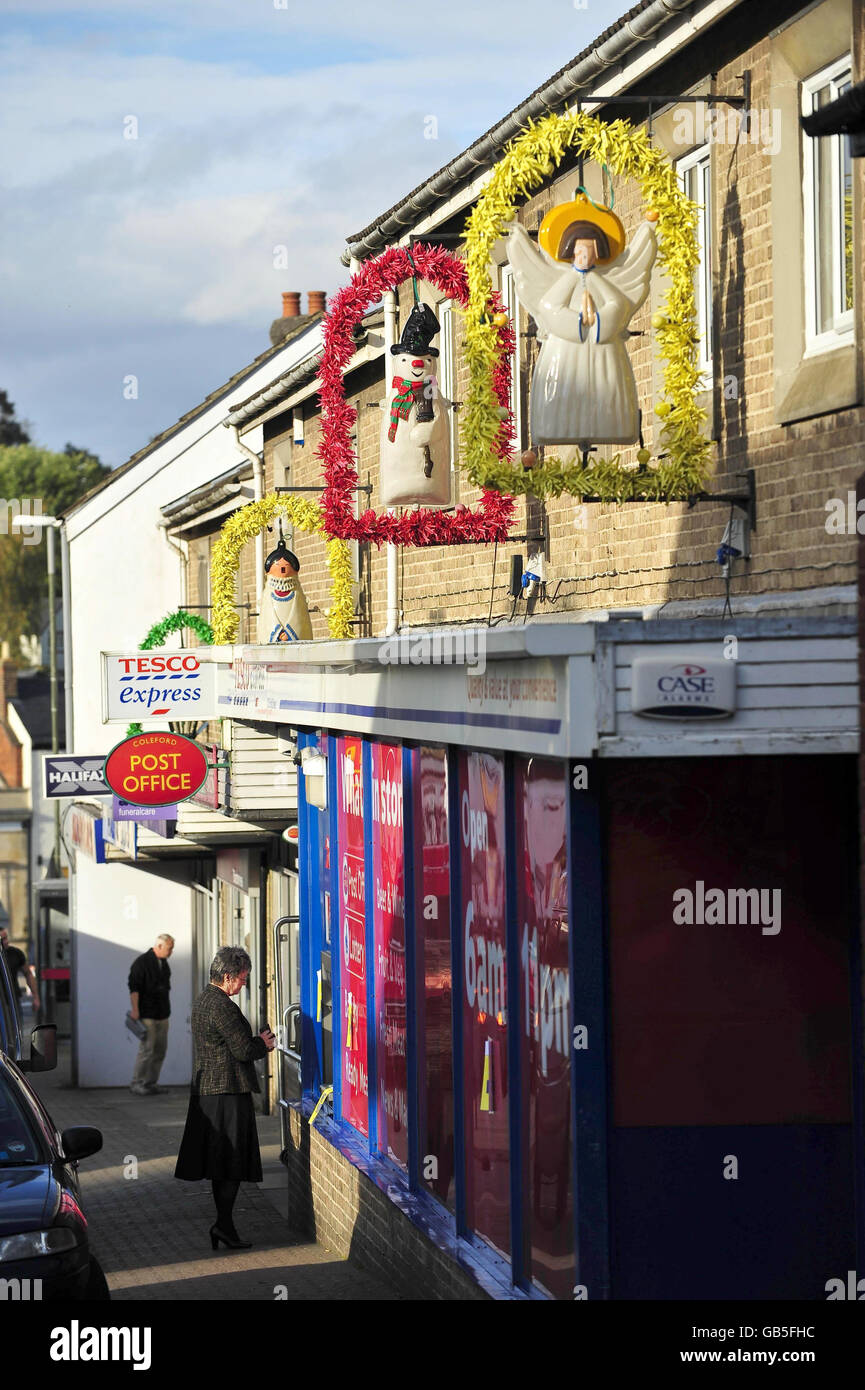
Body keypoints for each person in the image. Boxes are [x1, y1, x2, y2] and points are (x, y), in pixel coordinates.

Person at [174, 946, 275, 1250]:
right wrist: (264, 1043)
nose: (244, 984)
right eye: (243, 979)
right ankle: (224, 1225)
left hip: (210, 1092)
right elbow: (243, 1050)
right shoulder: (222, 1007)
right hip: (226, 1093)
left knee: (220, 1162)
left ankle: (224, 1225)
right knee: (230, 1162)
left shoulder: (205, 999)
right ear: (228, 976)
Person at [127, 934, 174, 1096]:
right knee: (147, 1049)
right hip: (147, 1014)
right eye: (169, 948)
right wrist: (135, 1010)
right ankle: (137, 1082)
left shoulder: (164, 963)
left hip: (162, 1014)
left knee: (160, 1050)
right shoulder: (142, 963)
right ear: (159, 946)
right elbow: (134, 988)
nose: (171, 952)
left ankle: (150, 1082)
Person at [0, 927, 41, 1014]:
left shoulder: (15, 953)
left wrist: (36, 997)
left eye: (6, 938)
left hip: (13, 1001)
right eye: (3, 939)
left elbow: (28, 974)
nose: (6, 942)